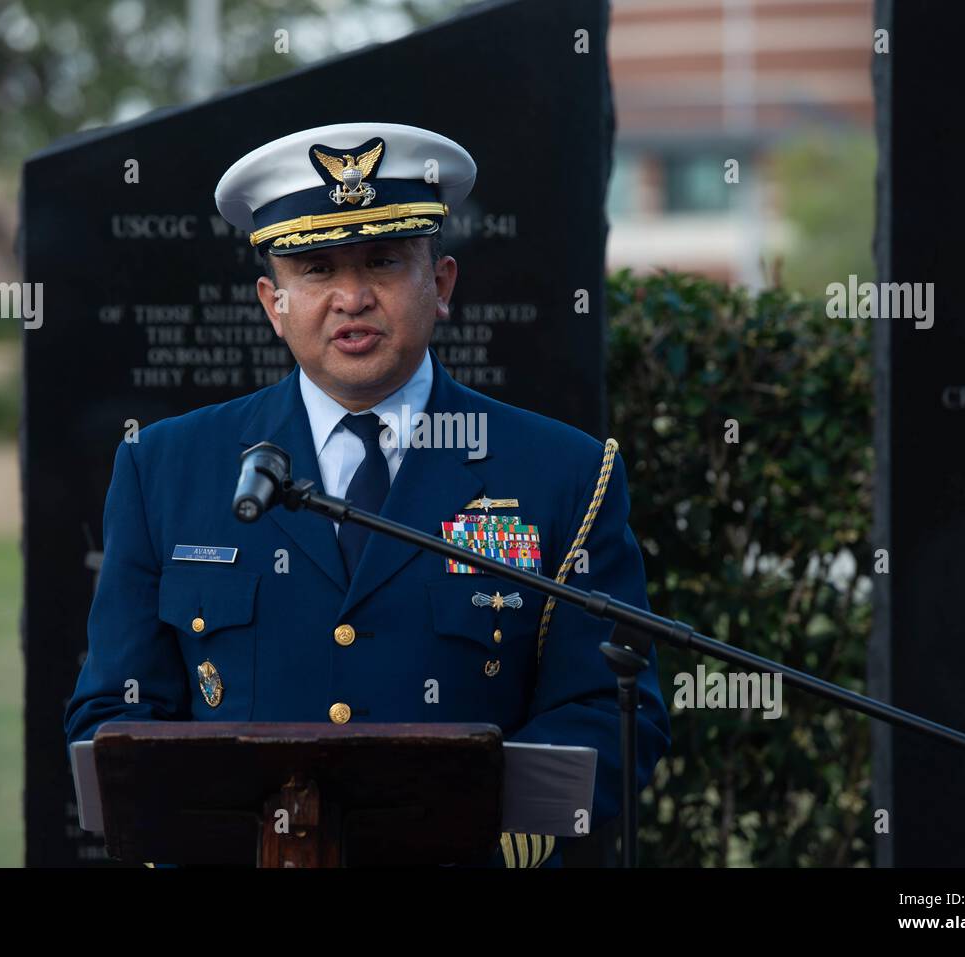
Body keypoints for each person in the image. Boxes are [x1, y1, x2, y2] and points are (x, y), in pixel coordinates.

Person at [64, 122, 670, 867]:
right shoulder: (165, 467)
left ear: (441, 284)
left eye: (383, 261)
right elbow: (115, 708)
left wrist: (482, 831)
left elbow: (610, 710)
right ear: (272, 301)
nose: (352, 297)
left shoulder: (563, 473)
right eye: (316, 268)